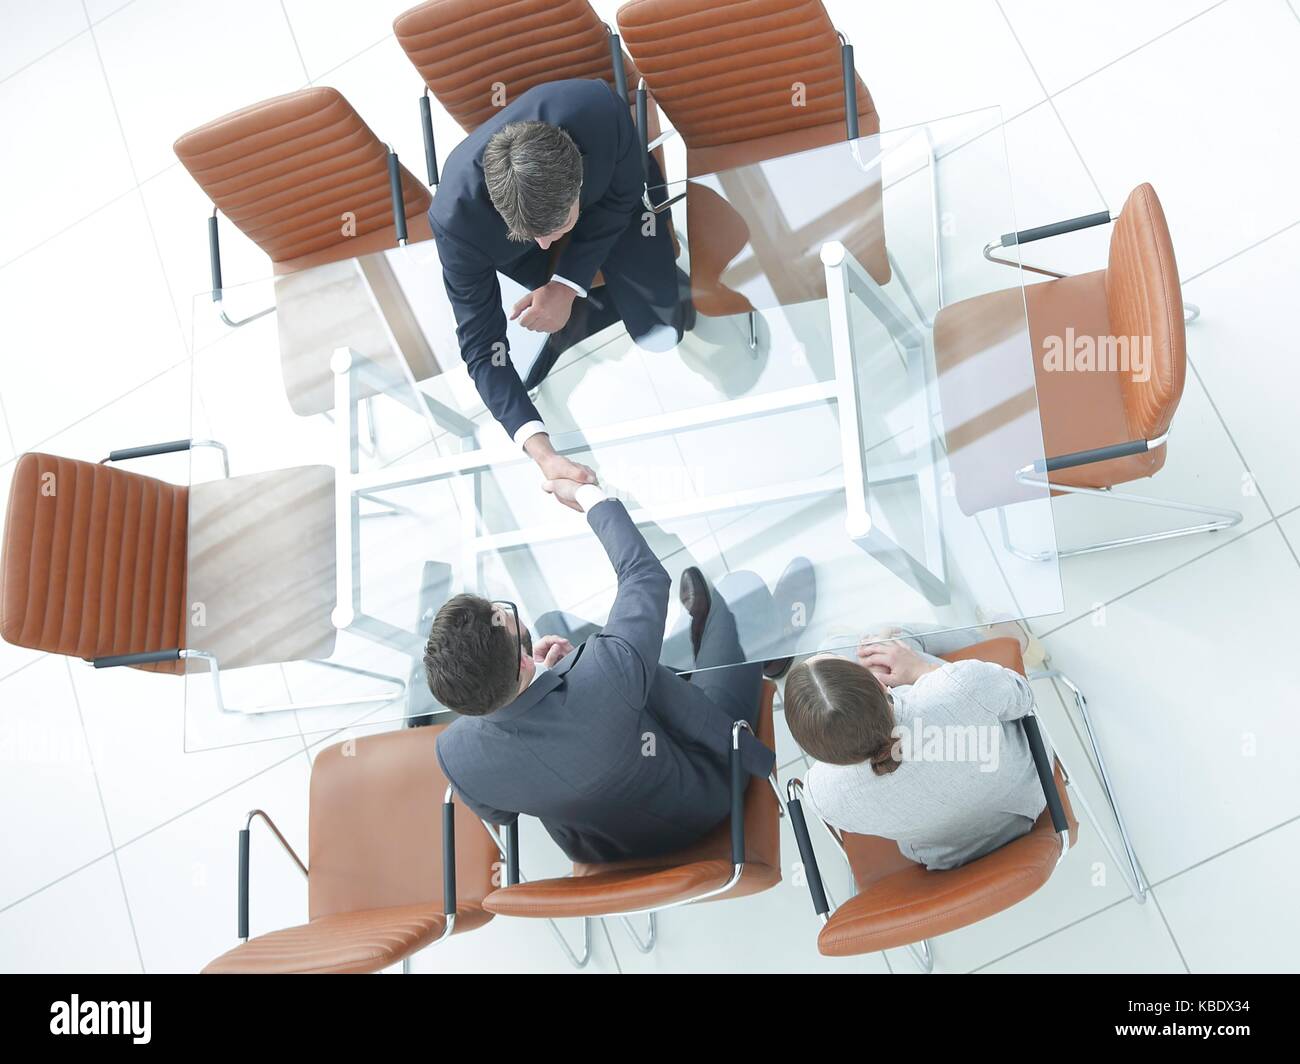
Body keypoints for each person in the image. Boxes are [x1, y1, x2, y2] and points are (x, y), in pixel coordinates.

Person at [423, 474, 814, 865]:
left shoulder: (455, 752)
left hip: (608, 849)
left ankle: (685, 648)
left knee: (554, 620)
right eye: (504, 615)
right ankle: (773, 652)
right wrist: (586, 495)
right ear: (523, 660)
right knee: (742, 589)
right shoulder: (604, 672)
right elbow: (644, 575)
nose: (509, 613)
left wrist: (541, 679)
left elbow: (502, 812)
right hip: (708, 796)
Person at [429, 77, 688, 494]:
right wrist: (543, 454)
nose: (549, 244)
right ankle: (591, 306)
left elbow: (624, 196)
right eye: (535, 234)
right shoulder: (457, 223)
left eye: (558, 227)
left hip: (608, 208)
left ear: (577, 183)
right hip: (509, 240)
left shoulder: (599, 111)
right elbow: (480, 349)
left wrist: (565, 285)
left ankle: (603, 295)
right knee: (574, 307)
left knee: (662, 330)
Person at [782, 625, 1047, 871]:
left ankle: (885, 643)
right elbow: (1023, 695)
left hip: (942, 856)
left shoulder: (821, 793)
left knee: (842, 645)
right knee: (890, 642)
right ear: (879, 684)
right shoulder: (957, 688)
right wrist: (919, 669)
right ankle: (1013, 639)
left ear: (812, 748)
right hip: (1025, 800)